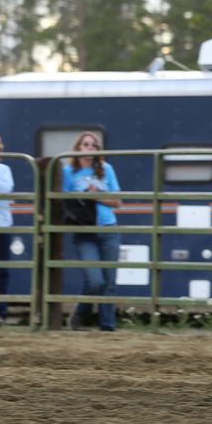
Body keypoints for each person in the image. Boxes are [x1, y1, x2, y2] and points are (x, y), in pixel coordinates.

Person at [63, 131, 122, 331]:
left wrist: (95, 196)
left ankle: (107, 326)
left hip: (108, 227)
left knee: (109, 282)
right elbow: (62, 200)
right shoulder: (68, 172)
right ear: (78, 147)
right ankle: (81, 313)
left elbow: (117, 201)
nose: (90, 148)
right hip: (84, 230)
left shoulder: (106, 169)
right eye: (86, 144)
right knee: (95, 280)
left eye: (94, 145)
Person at [0, 134, 13, 323]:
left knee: (2, 270)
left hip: (2, 225)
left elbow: (5, 188)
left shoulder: (4, 169)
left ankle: (0, 311)